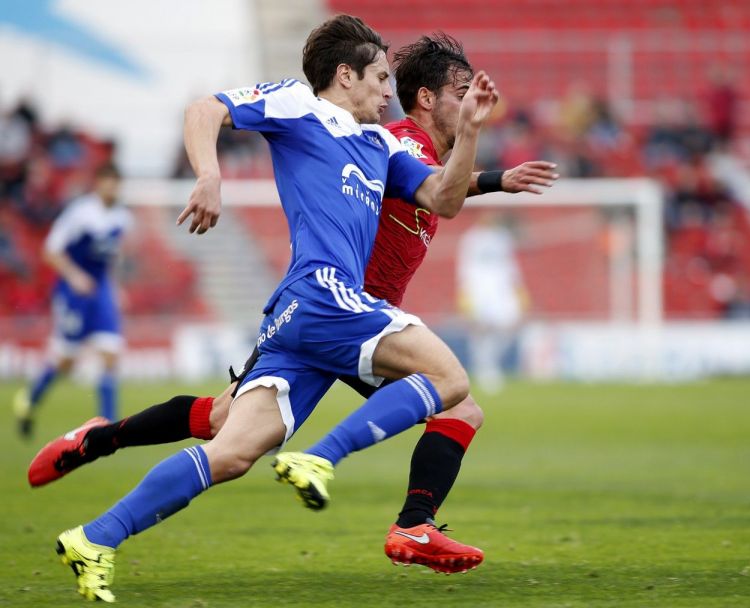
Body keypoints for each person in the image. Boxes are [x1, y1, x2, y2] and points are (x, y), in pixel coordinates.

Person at [32, 33, 557, 575]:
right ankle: (343, 474)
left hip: (308, 316)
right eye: (380, 79)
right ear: (347, 76)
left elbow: (443, 195)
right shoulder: (304, 107)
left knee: (229, 443)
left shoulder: (376, 146)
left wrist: (475, 141)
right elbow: (205, 108)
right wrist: (210, 177)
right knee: (453, 386)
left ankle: (95, 531)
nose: (387, 94)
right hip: (333, 299)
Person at [13, 163, 131, 438]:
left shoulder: (122, 217)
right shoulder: (80, 213)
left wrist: (114, 288)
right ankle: (29, 399)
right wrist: (75, 276)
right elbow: (50, 251)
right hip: (73, 292)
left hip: (100, 291)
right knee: (66, 360)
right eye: (107, 181)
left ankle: (108, 427)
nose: (111, 187)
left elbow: (111, 259)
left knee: (111, 354)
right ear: (98, 183)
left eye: (116, 182)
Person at [457, 211, 528, 393]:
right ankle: (484, 369)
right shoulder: (470, 239)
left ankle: (490, 364)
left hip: (502, 289)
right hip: (479, 289)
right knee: (481, 330)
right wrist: (466, 294)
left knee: (507, 326)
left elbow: (510, 265)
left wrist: (518, 289)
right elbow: (464, 268)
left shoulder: (502, 238)